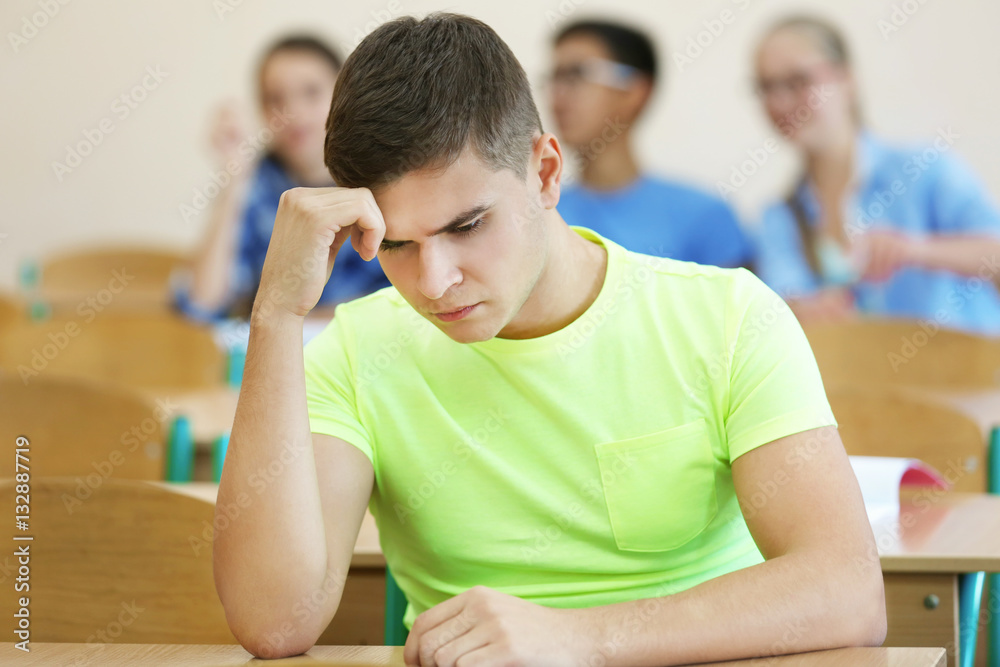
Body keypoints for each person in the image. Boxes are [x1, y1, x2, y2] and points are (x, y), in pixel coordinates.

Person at [213, 14, 886, 665]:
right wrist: (276, 312)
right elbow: (277, 621)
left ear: (545, 172)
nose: (436, 280)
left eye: (467, 225)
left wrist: (575, 638)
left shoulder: (730, 316)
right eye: (396, 244)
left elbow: (846, 590)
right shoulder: (359, 352)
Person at [753, 16, 1000, 335]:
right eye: (766, 87)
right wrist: (805, 311)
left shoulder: (924, 169)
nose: (780, 102)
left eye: (798, 81)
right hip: (863, 382)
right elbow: (786, 301)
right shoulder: (778, 219)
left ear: (846, 79)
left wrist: (915, 250)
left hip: (972, 375)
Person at [173, 35, 390, 321]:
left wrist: (290, 319)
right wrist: (234, 178)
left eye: (311, 92)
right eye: (275, 99)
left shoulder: (381, 177)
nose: (294, 114)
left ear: (344, 94)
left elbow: (403, 304)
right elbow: (202, 305)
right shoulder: (256, 185)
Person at [551, 20, 753, 268]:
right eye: (554, 78)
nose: (557, 95)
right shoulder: (543, 216)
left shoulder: (704, 216)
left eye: (577, 75)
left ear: (635, 91)